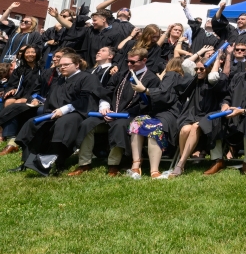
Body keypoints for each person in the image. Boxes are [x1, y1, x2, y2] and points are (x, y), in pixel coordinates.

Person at [71, 47, 161, 177]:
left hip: (132, 116)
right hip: (110, 112)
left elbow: (148, 104)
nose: (129, 64)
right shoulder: (121, 74)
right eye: (127, 61)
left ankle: (113, 165)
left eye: (133, 62)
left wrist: (119, 115)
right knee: (88, 124)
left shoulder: (152, 79)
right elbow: (107, 91)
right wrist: (105, 106)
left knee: (120, 125)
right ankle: (84, 163)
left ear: (144, 60)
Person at [14, 50, 105, 175]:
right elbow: (53, 98)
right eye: (60, 65)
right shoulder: (61, 80)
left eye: (66, 65)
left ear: (77, 65)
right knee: (33, 124)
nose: (62, 67)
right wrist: (52, 111)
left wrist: (64, 110)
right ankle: (26, 162)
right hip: (56, 112)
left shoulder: (88, 78)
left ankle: (57, 163)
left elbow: (87, 99)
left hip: (78, 112)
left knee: (62, 124)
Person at [161, 45, 228, 178]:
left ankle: (180, 164)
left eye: (201, 69)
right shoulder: (194, 79)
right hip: (192, 112)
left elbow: (213, 76)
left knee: (195, 127)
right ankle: (182, 158)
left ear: (208, 68)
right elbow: (186, 64)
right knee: (185, 130)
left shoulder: (215, 80)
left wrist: (216, 59)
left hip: (209, 114)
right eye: (196, 69)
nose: (198, 71)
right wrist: (201, 52)